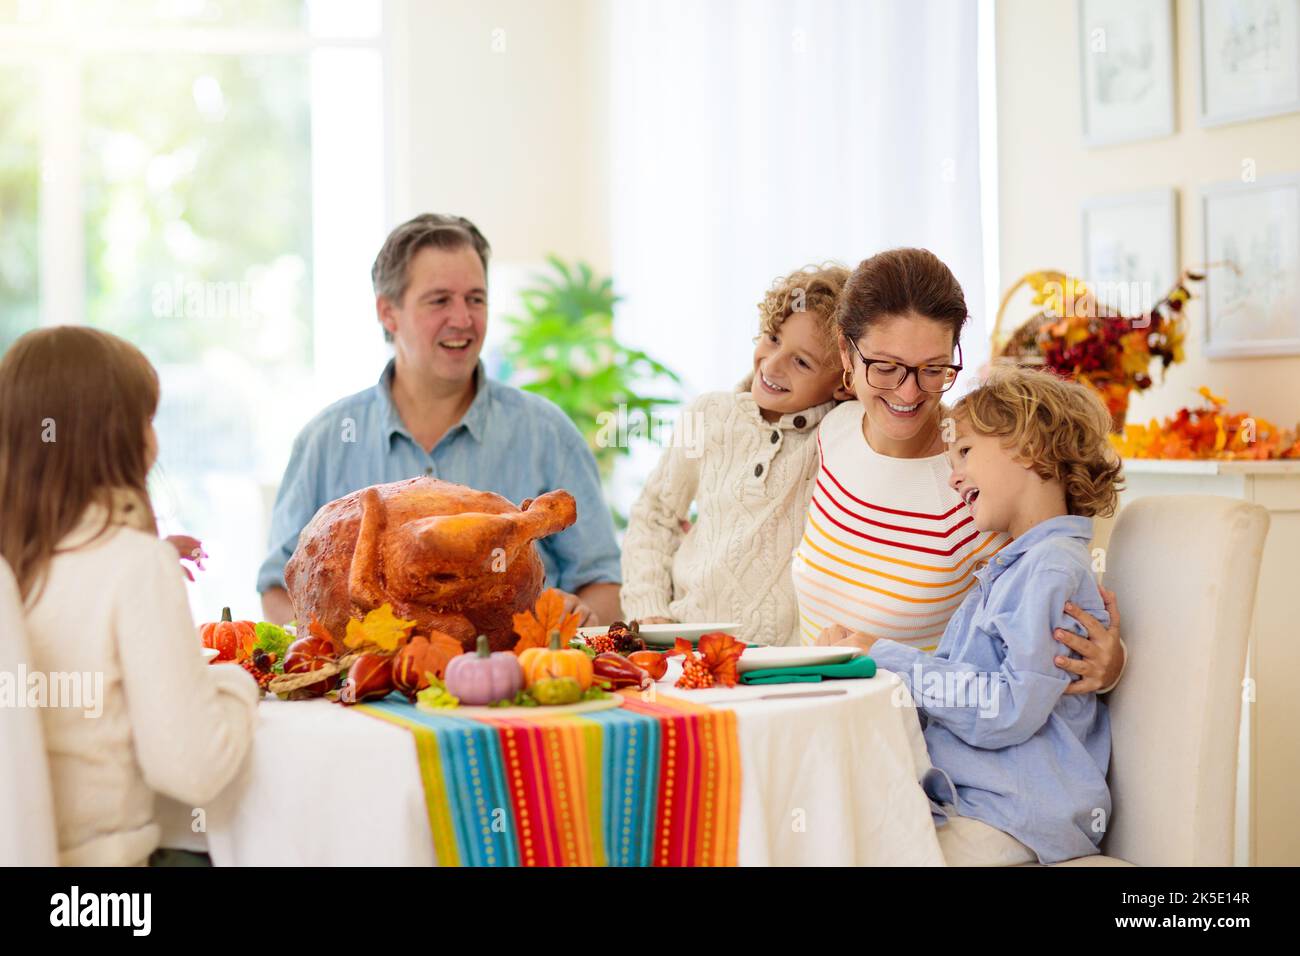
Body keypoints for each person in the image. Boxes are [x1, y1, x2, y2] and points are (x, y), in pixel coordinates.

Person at [257, 214, 622, 626]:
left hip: (509, 681)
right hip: (360, 687)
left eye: (476, 299)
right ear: (388, 313)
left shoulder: (546, 433)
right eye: (440, 300)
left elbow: (603, 583)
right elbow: (277, 587)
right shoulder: (325, 440)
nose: (463, 319)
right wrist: (331, 643)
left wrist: (584, 613)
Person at [808, 248, 1126, 694]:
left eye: (933, 369)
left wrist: (1112, 666)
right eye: (885, 367)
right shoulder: (831, 432)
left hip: (915, 742)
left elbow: (1062, 610)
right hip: (809, 707)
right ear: (846, 350)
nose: (909, 391)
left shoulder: (991, 476)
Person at [0, 327, 259, 867]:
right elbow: (193, 766)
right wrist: (236, 684)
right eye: (147, 420)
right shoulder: (137, 566)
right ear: (114, 436)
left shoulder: (16, 565)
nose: (154, 440)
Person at [843, 365, 1121, 865]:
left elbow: (1008, 708)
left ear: (1031, 448)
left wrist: (882, 655)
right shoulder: (1022, 566)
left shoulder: (1049, 569)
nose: (953, 476)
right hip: (989, 805)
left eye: (965, 452)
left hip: (1016, 815)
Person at [621, 265, 852, 645]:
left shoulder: (840, 435)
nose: (773, 364)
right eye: (773, 339)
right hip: (685, 644)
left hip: (783, 662)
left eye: (802, 362)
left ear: (844, 383)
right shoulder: (710, 415)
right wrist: (650, 611)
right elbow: (655, 515)